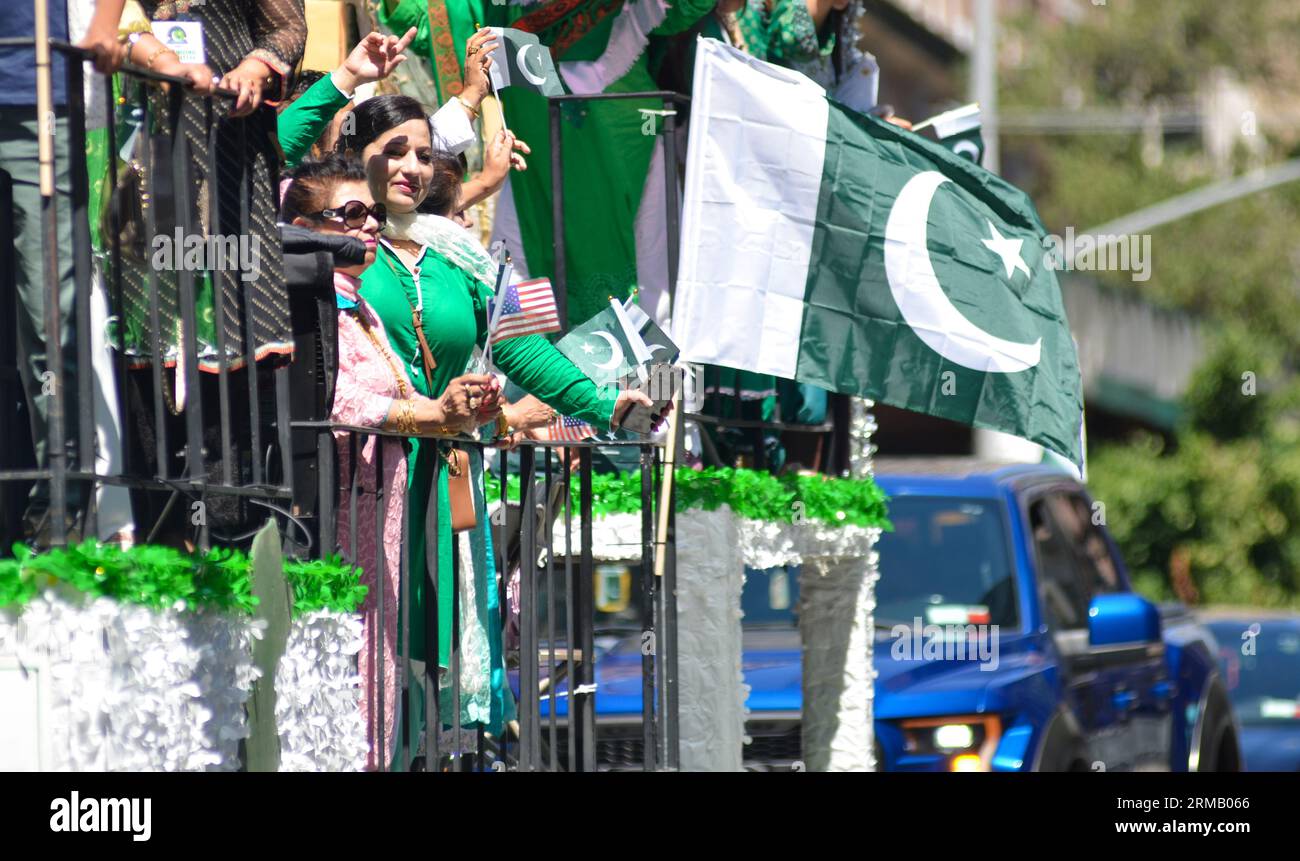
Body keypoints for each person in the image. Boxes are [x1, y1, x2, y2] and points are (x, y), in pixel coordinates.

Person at [336, 94, 662, 744]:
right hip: (364, 480)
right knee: (367, 663)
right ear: (357, 153)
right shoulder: (333, 241)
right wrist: (344, 77)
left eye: (425, 155)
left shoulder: (463, 258)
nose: (412, 167)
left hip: (450, 482)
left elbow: (524, 350)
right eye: (394, 150)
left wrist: (607, 403)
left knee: (438, 664)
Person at [280, 152, 498, 769]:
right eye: (349, 215)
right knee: (340, 697)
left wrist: (458, 406)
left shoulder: (358, 303)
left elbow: (398, 397)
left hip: (382, 526)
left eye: (372, 214)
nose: (368, 226)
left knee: (376, 690)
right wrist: (433, 415)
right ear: (304, 228)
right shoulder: (307, 301)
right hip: (336, 521)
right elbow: (339, 399)